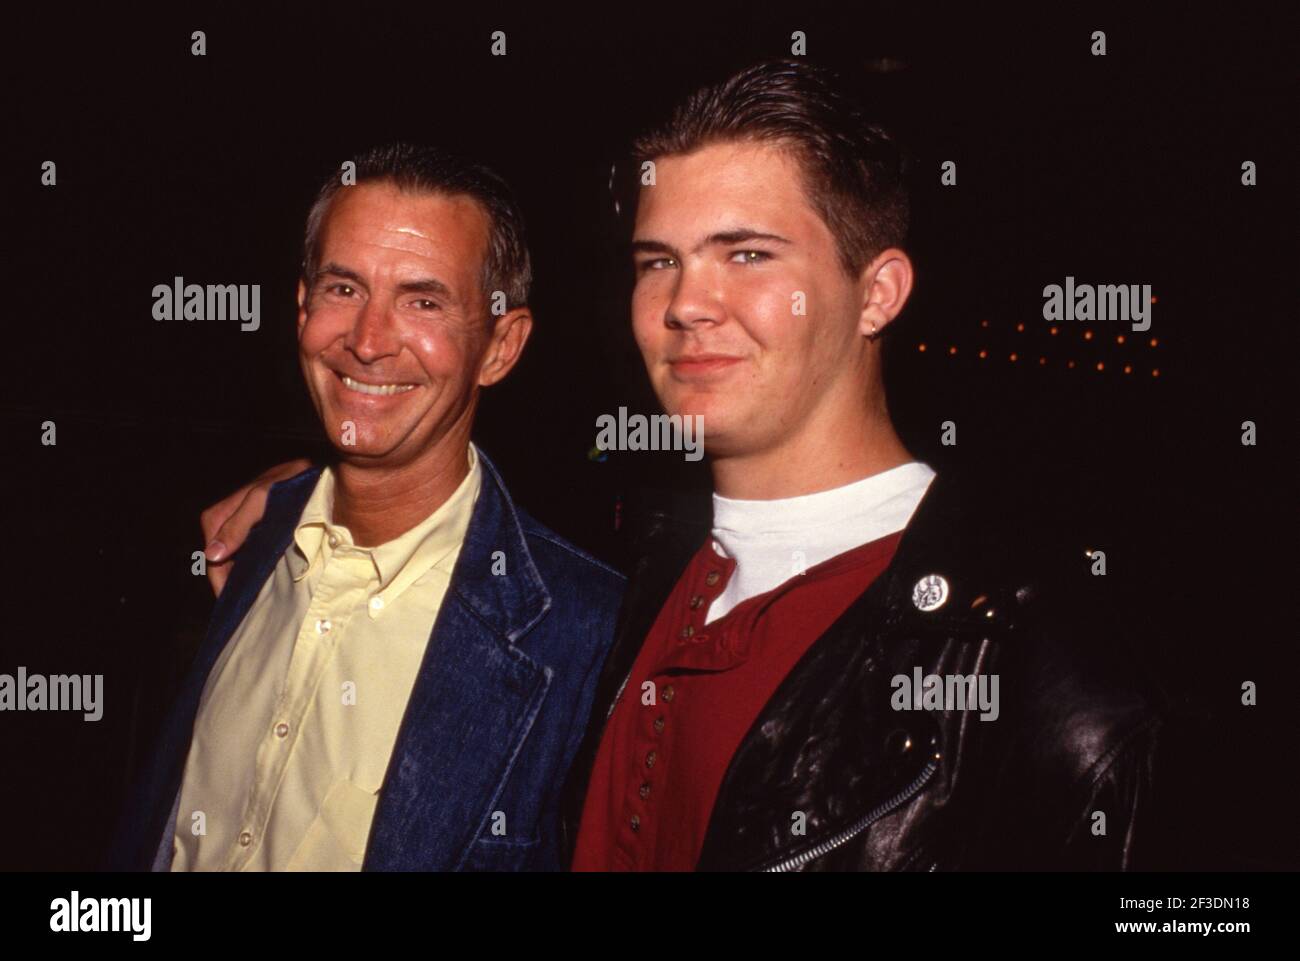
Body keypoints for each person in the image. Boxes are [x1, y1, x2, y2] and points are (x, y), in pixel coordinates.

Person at [196, 63, 1163, 872]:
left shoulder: (1037, 675)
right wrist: (304, 490)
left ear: (879, 293)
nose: (686, 303)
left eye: (746, 253)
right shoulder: (630, 576)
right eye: (658, 260)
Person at [105, 143, 624, 872]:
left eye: (423, 301)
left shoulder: (587, 636)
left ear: (500, 346)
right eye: (344, 289)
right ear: (302, 308)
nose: (368, 341)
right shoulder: (245, 539)